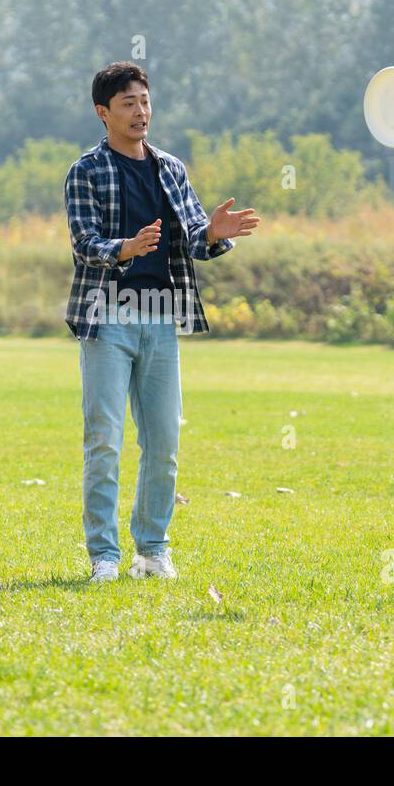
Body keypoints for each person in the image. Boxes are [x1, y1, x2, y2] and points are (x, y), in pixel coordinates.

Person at [63, 61, 261, 583]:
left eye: (145, 102)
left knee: (164, 443)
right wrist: (125, 249)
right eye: (128, 103)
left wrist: (214, 233)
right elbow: (84, 243)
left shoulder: (171, 168)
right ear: (103, 113)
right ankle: (103, 556)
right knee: (104, 438)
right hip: (106, 320)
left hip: (161, 320)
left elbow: (195, 238)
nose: (141, 112)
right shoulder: (86, 171)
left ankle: (152, 550)